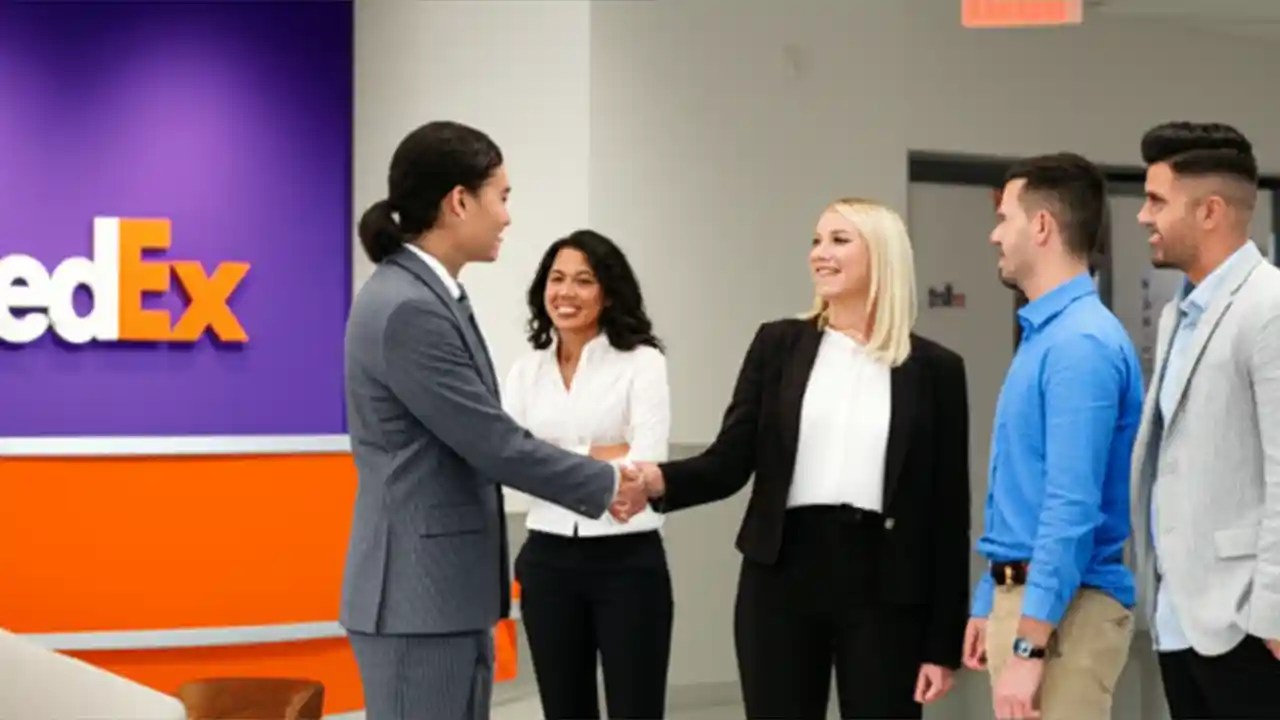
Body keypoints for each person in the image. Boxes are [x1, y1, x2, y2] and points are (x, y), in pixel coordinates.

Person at [339, 121, 646, 720]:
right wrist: (607, 483)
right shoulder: (408, 309)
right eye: (501, 196)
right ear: (459, 201)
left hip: (442, 596)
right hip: (416, 598)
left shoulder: (429, 295)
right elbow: (494, 444)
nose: (507, 216)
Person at [634, 198, 970, 719]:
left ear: (881, 255)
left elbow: (948, 512)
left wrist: (940, 644)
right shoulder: (778, 345)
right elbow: (730, 459)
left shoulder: (936, 369)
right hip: (782, 574)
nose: (820, 254)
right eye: (816, 240)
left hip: (886, 584)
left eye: (839, 240)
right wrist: (658, 481)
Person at [962, 153, 1144, 720]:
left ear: (1041, 226)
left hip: (1064, 617)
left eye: (1005, 217)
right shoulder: (1048, 336)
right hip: (1033, 604)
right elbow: (1021, 494)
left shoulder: (1079, 346)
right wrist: (991, 597)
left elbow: (1070, 508)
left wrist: (1028, 644)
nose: (995, 235)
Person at [1129, 121, 1280, 719]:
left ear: (1211, 211)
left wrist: (1273, 612)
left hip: (1248, 622)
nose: (1143, 216)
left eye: (1157, 200)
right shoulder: (1178, 314)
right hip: (1179, 618)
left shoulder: (1269, 308)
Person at [503, 229, 673, 719]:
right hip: (546, 559)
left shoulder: (642, 362)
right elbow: (510, 465)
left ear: (609, 292)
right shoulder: (525, 371)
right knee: (563, 709)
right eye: (556, 279)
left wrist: (550, 456)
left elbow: (644, 465)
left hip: (627, 559)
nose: (566, 292)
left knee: (635, 708)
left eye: (583, 280)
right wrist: (598, 453)